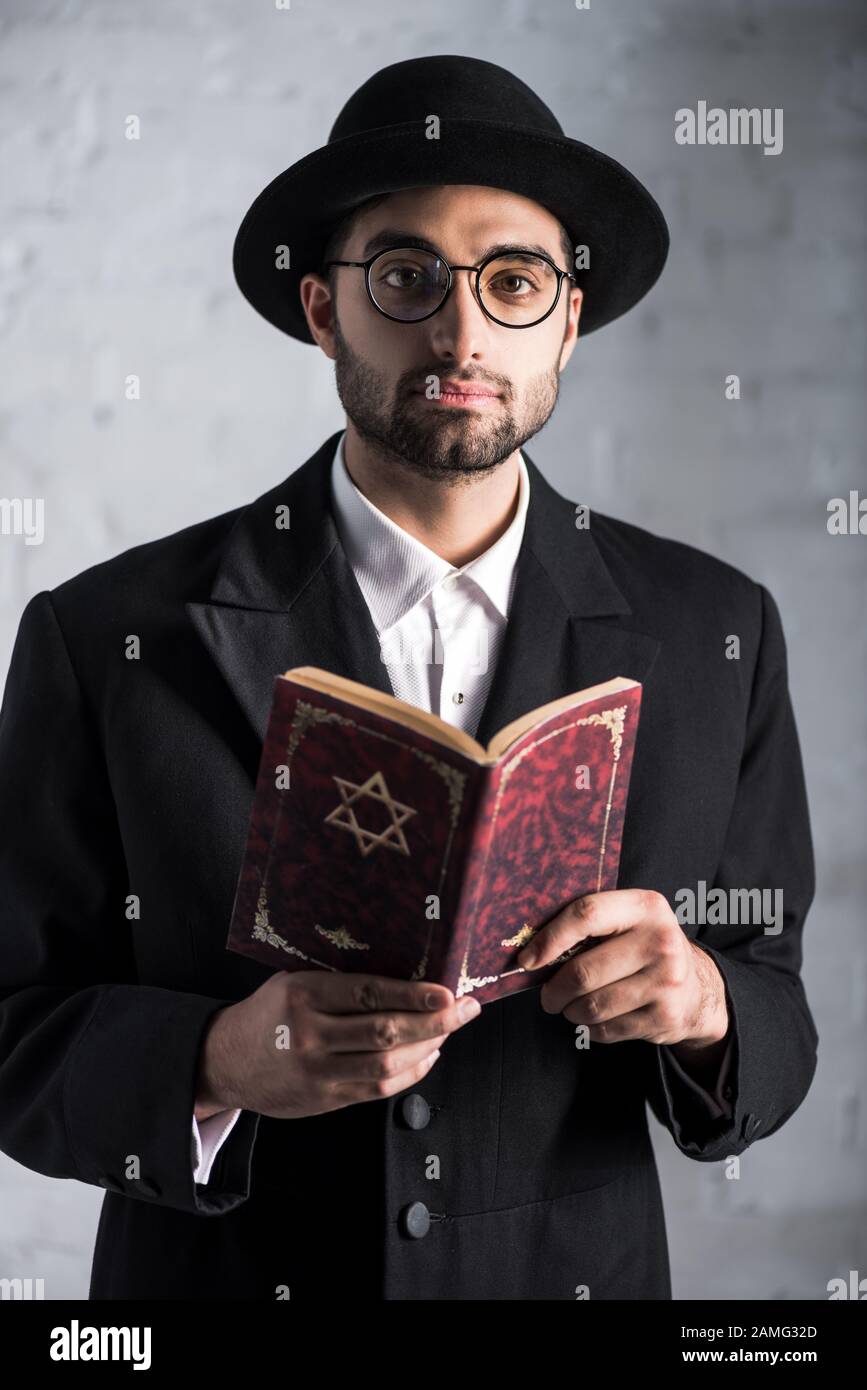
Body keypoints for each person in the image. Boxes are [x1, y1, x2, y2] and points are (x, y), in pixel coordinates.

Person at [0, 55, 817, 1300]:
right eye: (405, 275)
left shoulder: (719, 629)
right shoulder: (108, 635)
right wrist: (219, 1059)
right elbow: (15, 1033)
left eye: (514, 279)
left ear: (571, 318)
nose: (463, 328)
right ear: (325, 309)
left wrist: (704, 998)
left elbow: (779, 1009)